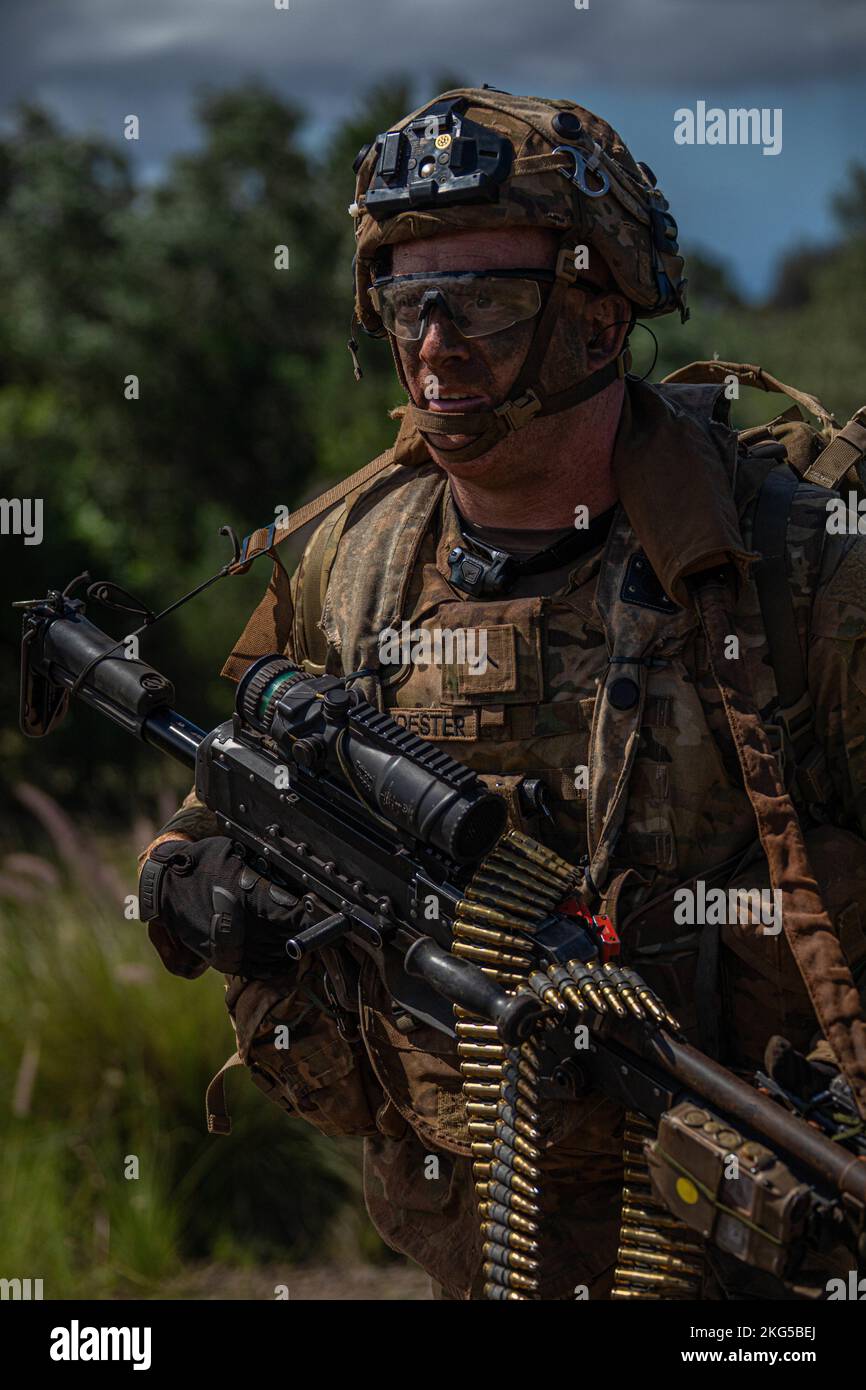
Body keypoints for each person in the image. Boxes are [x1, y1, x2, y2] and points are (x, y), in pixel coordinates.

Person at [138, 88, 866, 1300]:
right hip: (474, 1246)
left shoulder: (793, 569)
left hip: (760, 1265)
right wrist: (194, 879)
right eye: (403, 302)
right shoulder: (348, 558)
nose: (431, 344)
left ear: (597, 312)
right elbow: (239, 794)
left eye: (478, 300)